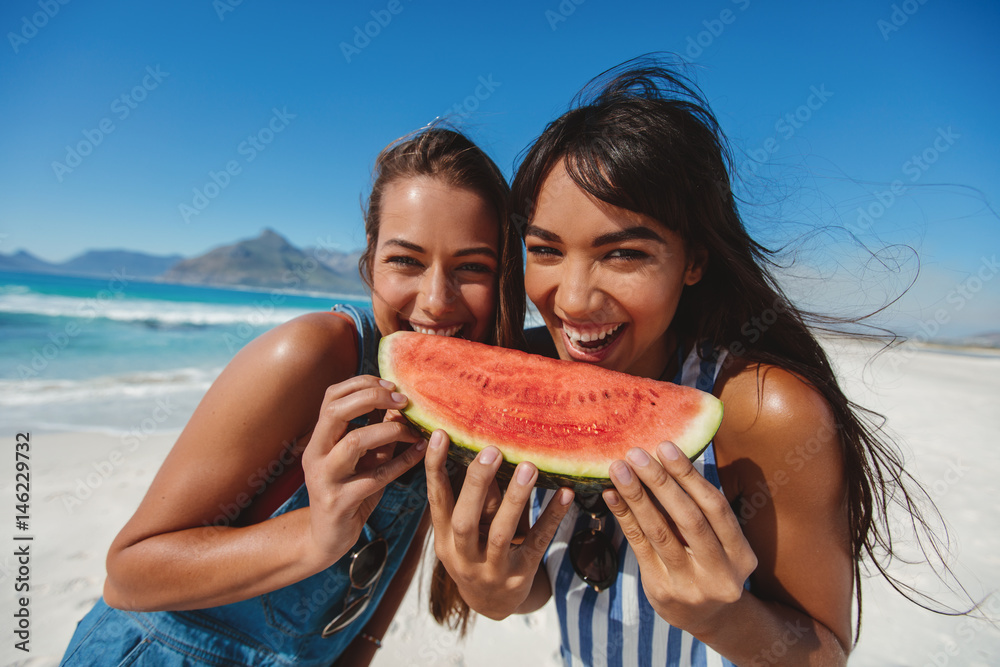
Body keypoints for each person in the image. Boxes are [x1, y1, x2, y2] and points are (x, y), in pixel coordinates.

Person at [425, 58, 953, 666]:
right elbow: (542, 580)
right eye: (544, 249)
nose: (571, 299)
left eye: (622, 254)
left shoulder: (762, 410)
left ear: (694, 260)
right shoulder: (523, 378)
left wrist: (723, 618)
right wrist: (496, 590)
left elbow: (825, 653)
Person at [60, 125, 525, 667]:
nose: (437, 300)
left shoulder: (473, 385)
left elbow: (407, 537)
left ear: (505, 279)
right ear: (369, 261)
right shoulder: (308, 355)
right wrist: (312, 536)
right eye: (406, 261)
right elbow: (127, 575)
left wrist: (363, 649)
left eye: (472, 267)